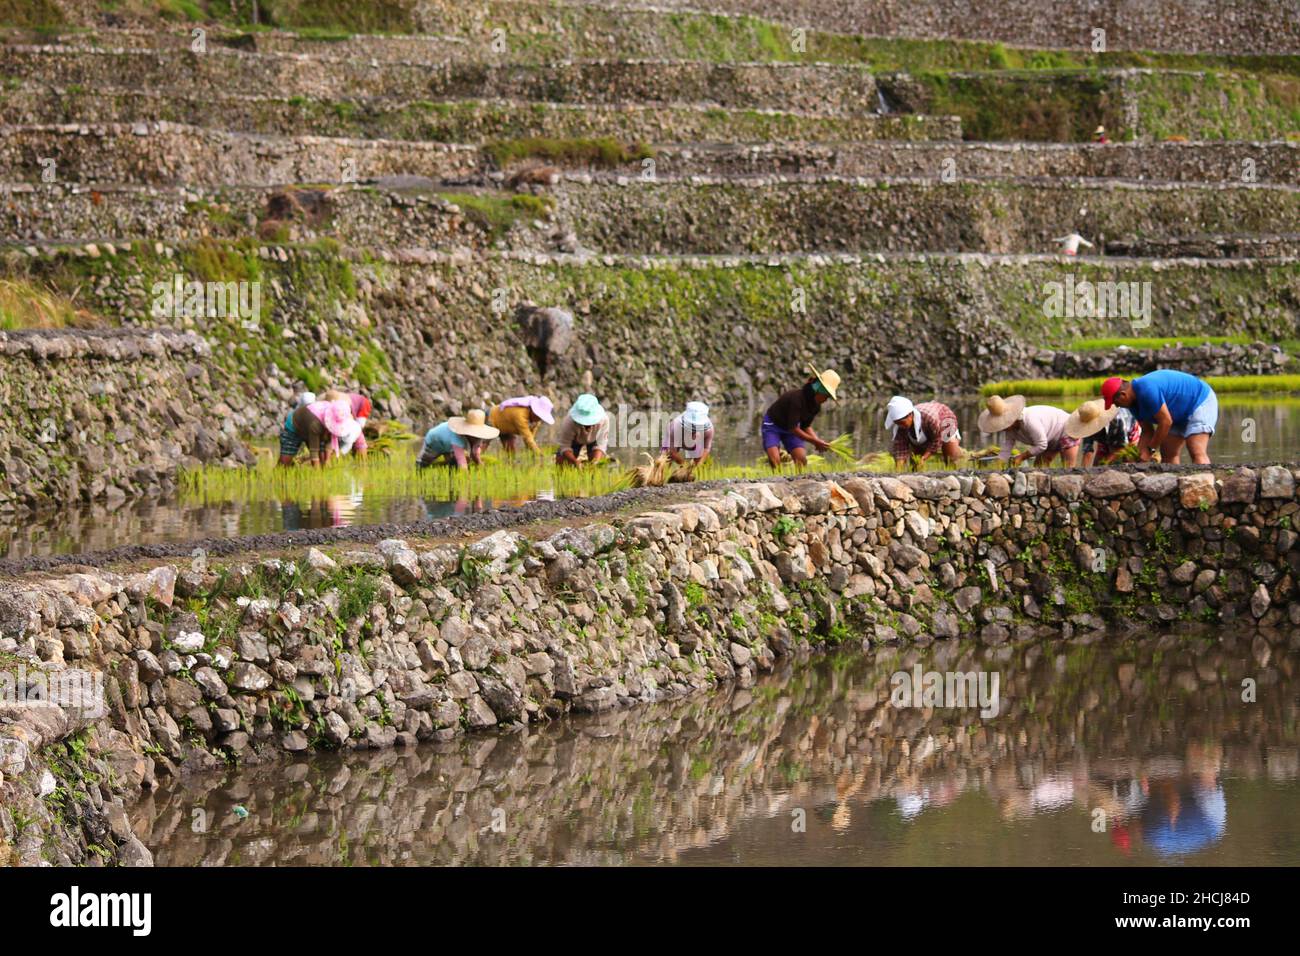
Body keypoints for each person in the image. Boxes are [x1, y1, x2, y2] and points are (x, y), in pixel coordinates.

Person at [1102, 370, 1217, 464]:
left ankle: (1205, 488)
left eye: (1114, 402)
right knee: (1168, 453)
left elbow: (1166, 422)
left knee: (1195, 450)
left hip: (1199, 401)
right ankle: (1173, 488)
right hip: (1176, 413)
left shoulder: (1146, 389)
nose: (1116, 406)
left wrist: (1150, 450)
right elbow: (1147, 432)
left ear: (1123, 395)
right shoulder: (1132, 404)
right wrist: (1137, 456)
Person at [762, 364, 841, 469]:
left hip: (791, 429)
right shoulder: (796, 399)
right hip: (773, 425)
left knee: (802, 461)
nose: (826, 399)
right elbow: (794, 428)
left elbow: (805, 426)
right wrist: (815, 441)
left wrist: (817, 440)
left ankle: (797, 482)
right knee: (775, 462)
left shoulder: (816, 406)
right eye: (826, 396)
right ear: (819, 391)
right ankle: (775, 480)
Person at [980, 394, 1079, 467]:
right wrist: (997, 465)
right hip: (1050, 438)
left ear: (1011, 419)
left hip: (1067, 430)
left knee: (1068, 469)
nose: (1002, 428)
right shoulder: (1010, 429)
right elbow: (1006, 448)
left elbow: (1041, 445)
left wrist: (1022, 457)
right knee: (1038, 468)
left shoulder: (1029, 420)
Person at [883, 396, 964, 469]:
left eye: (902, 422)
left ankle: (955, 461)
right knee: (915, 460)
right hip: (926, 430)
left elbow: (937, 441)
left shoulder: (931, 418)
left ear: (910, 415)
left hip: (944, 420)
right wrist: (898, 470)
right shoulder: (900, 426)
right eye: (897, 423)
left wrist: (924, 458)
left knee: (950, 452)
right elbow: (900, 450)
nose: (900, 425)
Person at [282, 392, 354, 467]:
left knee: (323, 458)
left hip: (311, 425)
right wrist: (318, 473)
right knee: (285, 462)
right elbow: (314, 452)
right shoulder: (316, 424)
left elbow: (331, 439)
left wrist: (327, 461)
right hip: (295, 425)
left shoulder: (337, 414)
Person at [1067, 398, 1140, 466]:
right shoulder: (1087, 424)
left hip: (1129, 434)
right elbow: (1087, 451)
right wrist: (1084, 471)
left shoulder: (1117, 420)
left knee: (1128, 461)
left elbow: (1123, 447)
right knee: (1097, 464)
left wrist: (1105, 463)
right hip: (1105, 437)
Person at [416, 410, 499, 470]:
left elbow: (475, 453)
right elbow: (462, 463)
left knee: (453, 465)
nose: (475, 435)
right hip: (434, 441)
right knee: (422, 465)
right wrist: (466, 482)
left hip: (449, 446)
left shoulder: (478, 437)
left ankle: (443, 472)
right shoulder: (457, 437)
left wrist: (480, 464)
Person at [488, 395, 555, 455]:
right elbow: (527, 437)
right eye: (538, 416)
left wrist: (532, 453)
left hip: (506, 428)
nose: (539, 420)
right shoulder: (520, 415)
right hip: (492, 418)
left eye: (541, 417)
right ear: (533, 411)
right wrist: (539, 454)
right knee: (482, 446)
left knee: (511, 455)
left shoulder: (536, 420)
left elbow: (531, 438)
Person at [554, 393, 610, 466]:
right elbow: (564, 445)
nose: (587, 425)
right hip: (574, 440)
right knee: (562, 461)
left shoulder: (603, 420)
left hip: (595, 440)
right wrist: (575, 461)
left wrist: (595, 462)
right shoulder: (569, 421)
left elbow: (601, 443)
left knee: (597, 465)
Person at [661, 401, 714, 465]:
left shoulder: (708, 430)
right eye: (692, 427)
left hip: (696, 442)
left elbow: (706, 449)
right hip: (676, 439)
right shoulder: (675, 426)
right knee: (666, 459)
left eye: (697, 427)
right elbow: (672, 451)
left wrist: (699, 464)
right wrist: (683, 465)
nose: (693, 430)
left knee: (698, 459)